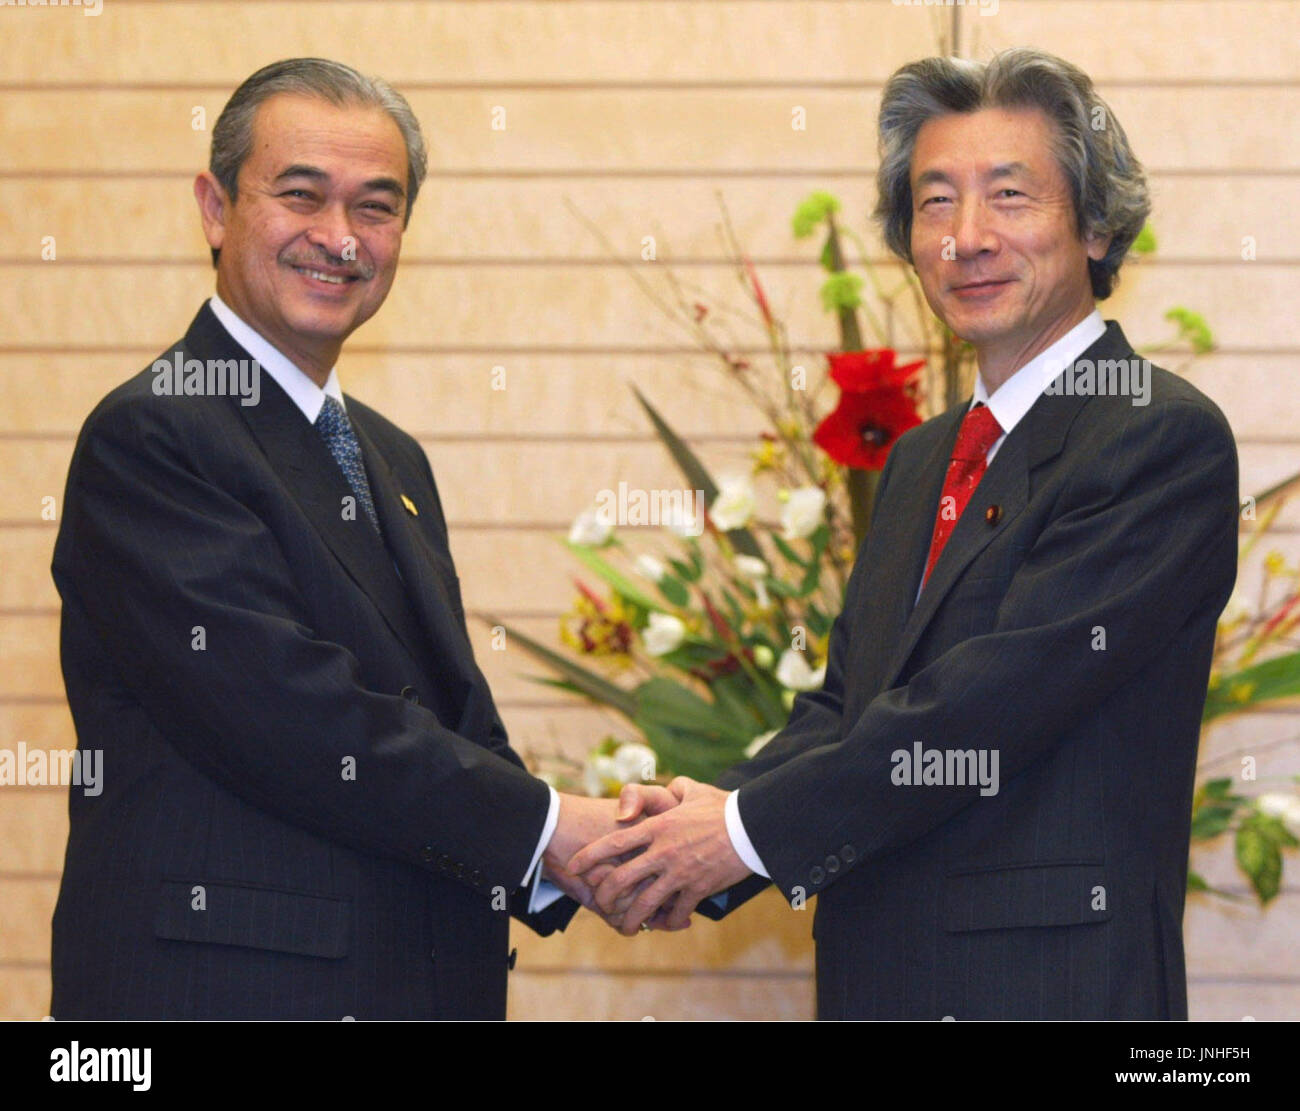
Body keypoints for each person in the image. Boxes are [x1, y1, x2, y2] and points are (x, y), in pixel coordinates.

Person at [572, 47, 1240, 1020]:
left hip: (1048, 993)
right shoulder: (923, 458)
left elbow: (980, 708)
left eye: (1009, 197)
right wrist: (681, 831)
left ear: (1096, 224)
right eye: (934, 202)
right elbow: (850, 703)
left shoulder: (1153, 433)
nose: (966, 237)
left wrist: (743, 832)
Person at [49, 57, 663, 1020]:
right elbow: (291, 717)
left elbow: (449, 713)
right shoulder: (157, 432)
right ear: (215, 208)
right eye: (302, 195)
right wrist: (551, 830)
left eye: (376, 207)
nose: (339, 237)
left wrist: (597, 845)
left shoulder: (389, 456)